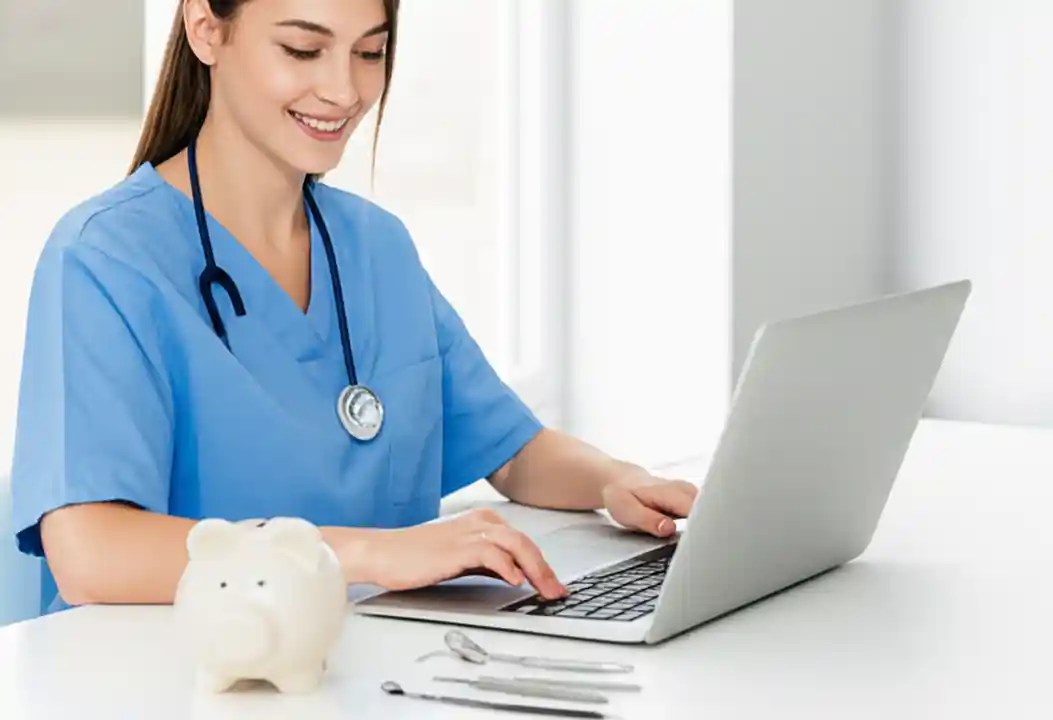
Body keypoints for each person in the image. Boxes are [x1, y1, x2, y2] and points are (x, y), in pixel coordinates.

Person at [9, 0, 697, 612]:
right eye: (303, 49)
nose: (344, 89)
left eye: (370, 52)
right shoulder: (106, 256)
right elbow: (91, 552)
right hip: (176, 681)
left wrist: (616, 482)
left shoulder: (374, 246)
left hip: (372, 667)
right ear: (206, 28)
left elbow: (510, 449)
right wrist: (365, 555)